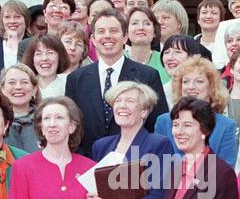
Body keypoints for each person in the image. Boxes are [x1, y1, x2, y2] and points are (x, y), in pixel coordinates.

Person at [64, 10, 168, 156]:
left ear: (125, 37)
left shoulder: (147, 75)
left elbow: (157, 125)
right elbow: (72, 127)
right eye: (101, 31)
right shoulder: (76, 79)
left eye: (113, 31)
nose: (107, 36)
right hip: (87, 165)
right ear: (93, 39)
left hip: (136, 163)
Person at [153, 56, 238, 165]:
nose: (191, 87)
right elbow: (158, 163)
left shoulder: (226, 126)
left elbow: (227, 168)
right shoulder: (164, 121)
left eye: (199, 81)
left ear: (211, 87)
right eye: (186, 81)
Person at [22, 33, 73, 100]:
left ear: (59, 57)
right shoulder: (25, 84)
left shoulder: (69, 83)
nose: (44, 58)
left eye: (50, 53)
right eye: (38, 54)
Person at [0, 0, 31, 71]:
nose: (12, 21)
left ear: (26, 20)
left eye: (17, 17)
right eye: (7, 17)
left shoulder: (33, 45)